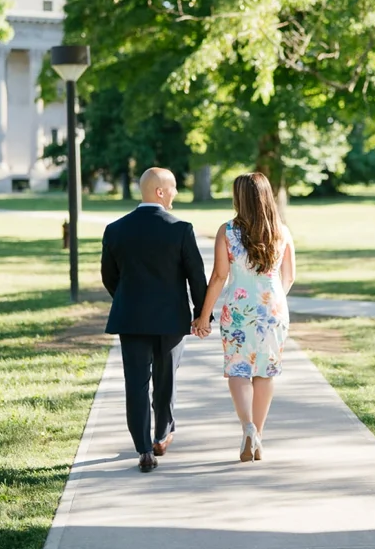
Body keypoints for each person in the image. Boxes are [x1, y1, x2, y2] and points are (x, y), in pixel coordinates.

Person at [100, 167, 209, 472]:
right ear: (160, 191)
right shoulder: (181, 229)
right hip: (171, 319)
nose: (175, 193)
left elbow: (110, 278)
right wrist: (202, 314)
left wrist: (128, 300)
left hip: (131, 318)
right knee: (166, 379)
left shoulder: (116, 229)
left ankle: (144, 449)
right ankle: (162, 436)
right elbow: (196, 278)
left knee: (135, 383)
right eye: (173, 187)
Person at [193, 172, 295, 462]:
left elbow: (218, 277)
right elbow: (289, 276)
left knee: (238, 371)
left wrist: (203, 317)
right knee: (264, 373)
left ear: (239, 198)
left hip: (238, 310)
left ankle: (248, 427)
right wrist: (274, 304)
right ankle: (258, 435)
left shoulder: (228, 231)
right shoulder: (282, 232)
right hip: (273, 310)